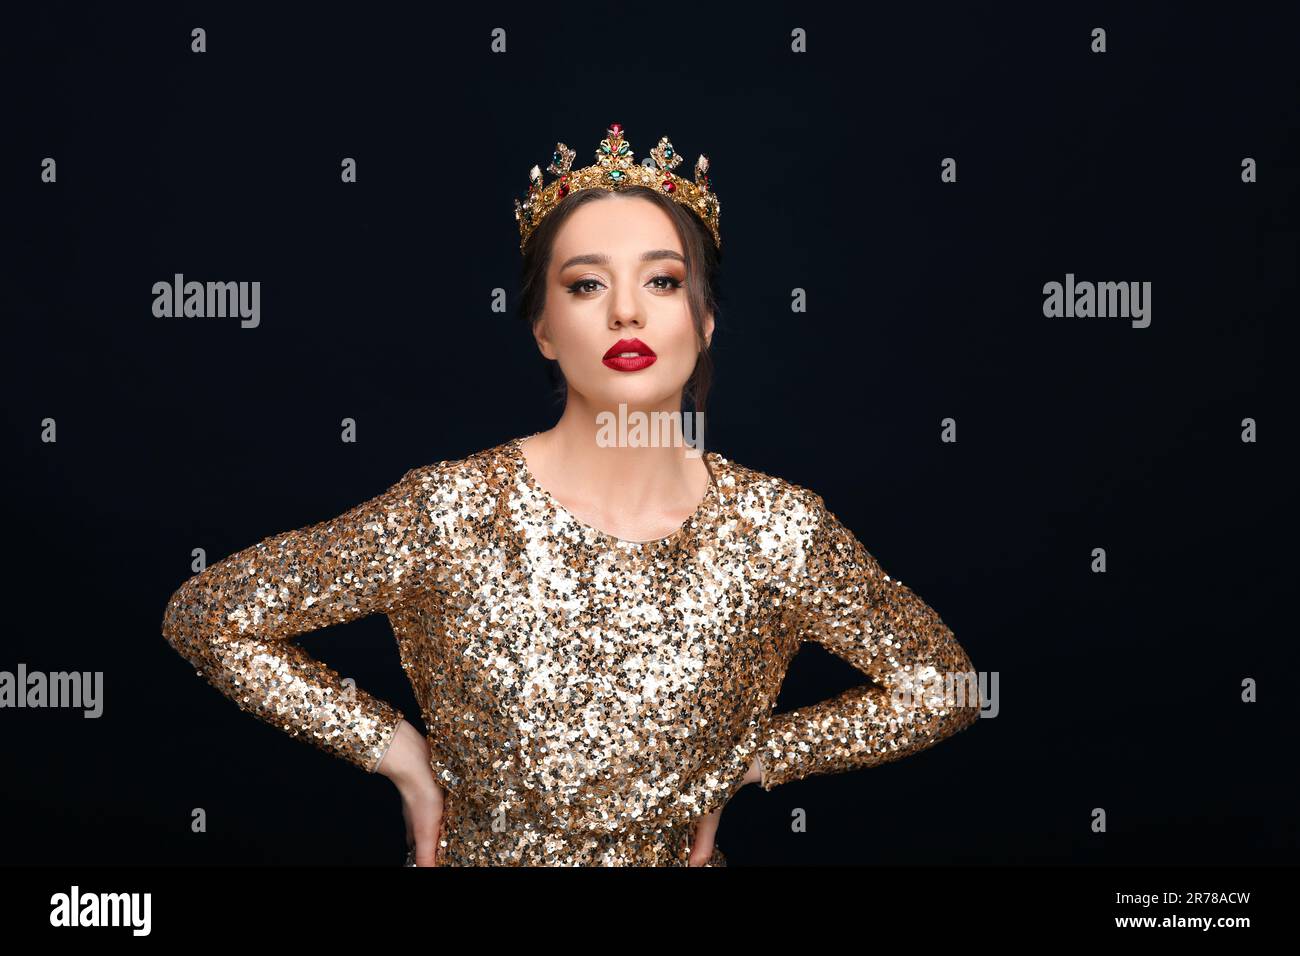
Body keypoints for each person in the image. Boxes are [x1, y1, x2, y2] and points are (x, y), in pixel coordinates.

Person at [160, 123, 981, 866]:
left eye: (663, 282)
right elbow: (208, 614)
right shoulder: (452, 511)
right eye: (587, 285)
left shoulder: (778, 530)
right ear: (543, 327)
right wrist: (400, 754)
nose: (627, 312)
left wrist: (752, 760)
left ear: (705, 320)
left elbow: (943, 687)